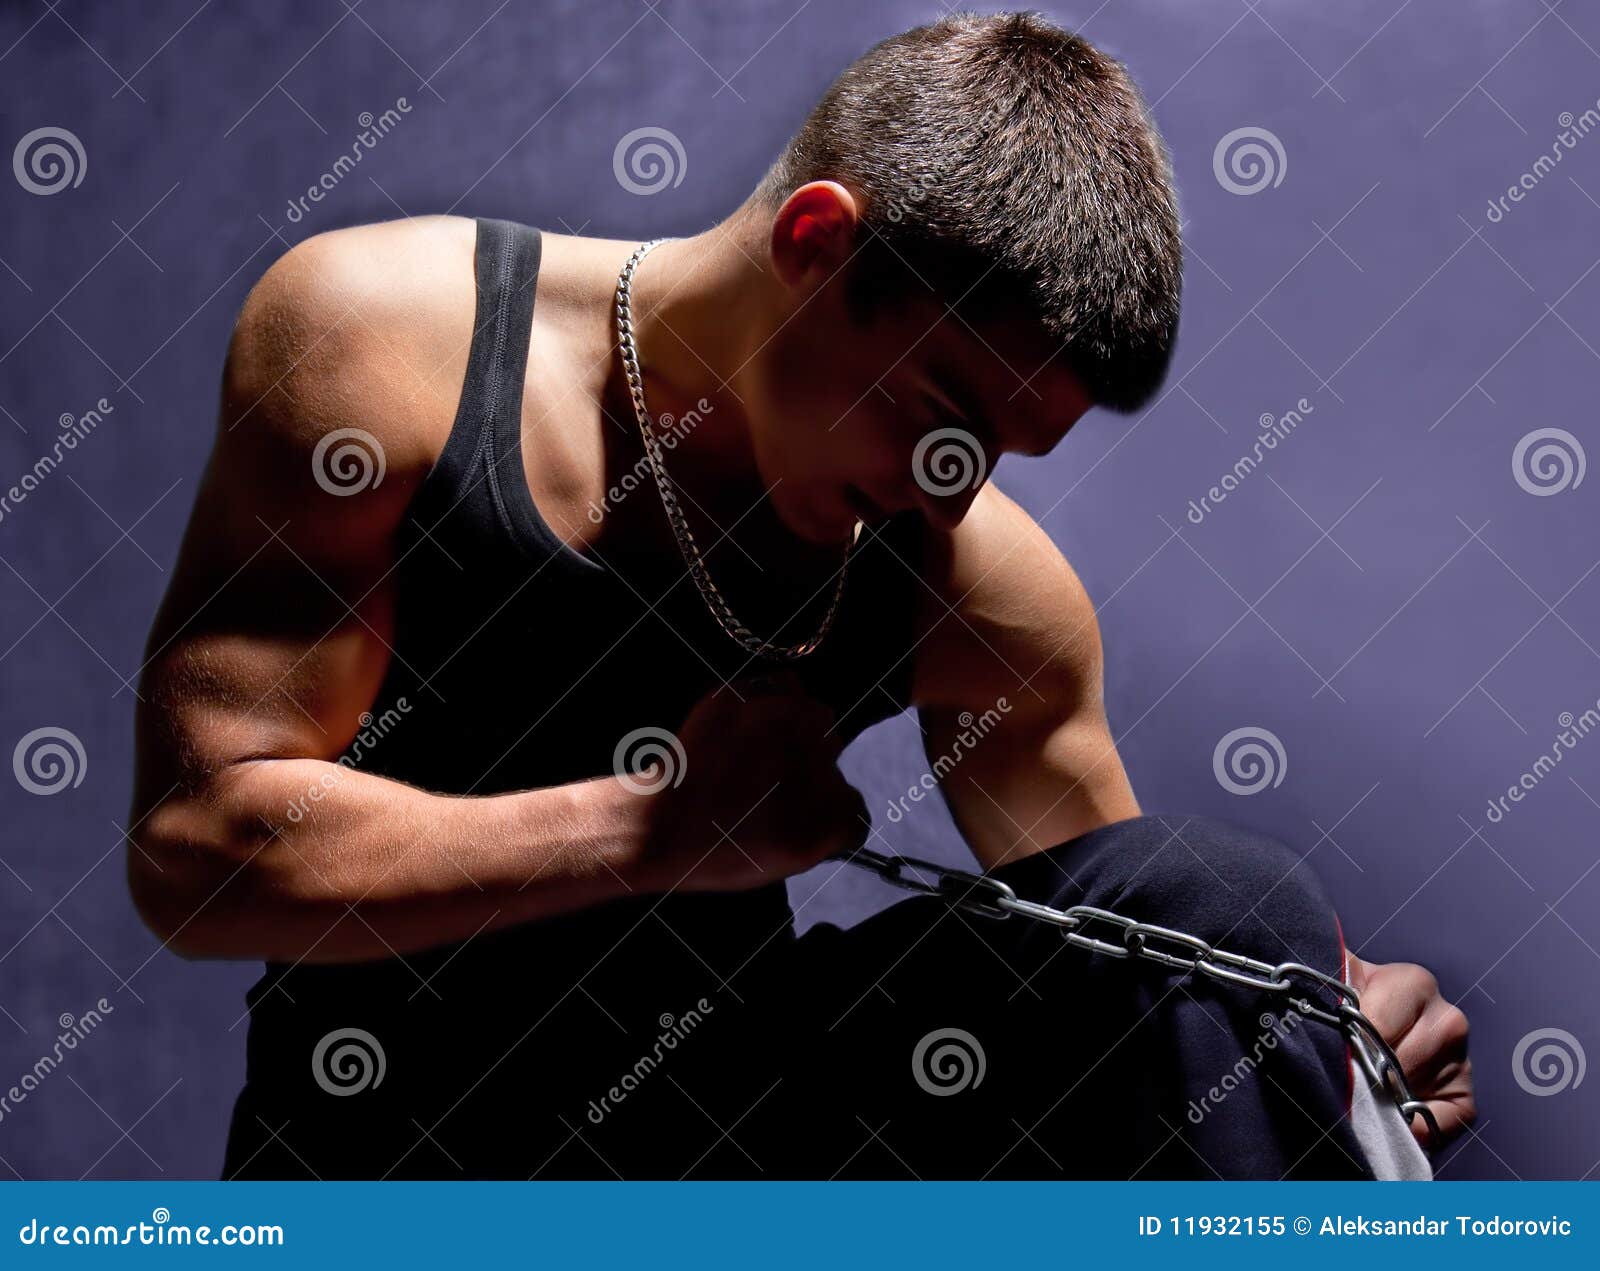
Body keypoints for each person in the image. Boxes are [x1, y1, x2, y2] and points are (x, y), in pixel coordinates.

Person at [127, 11, 1472, 1180]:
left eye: (1001, 455)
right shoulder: (390, 341)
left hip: (742, 1138)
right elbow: (195, 853)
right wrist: (645, 831)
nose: (951, 496)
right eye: (943, 417)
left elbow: (1130, 986)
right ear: (820, 242)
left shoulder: (974, 584)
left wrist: (1315, 1024)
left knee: (1217, 917)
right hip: (395, 1138)